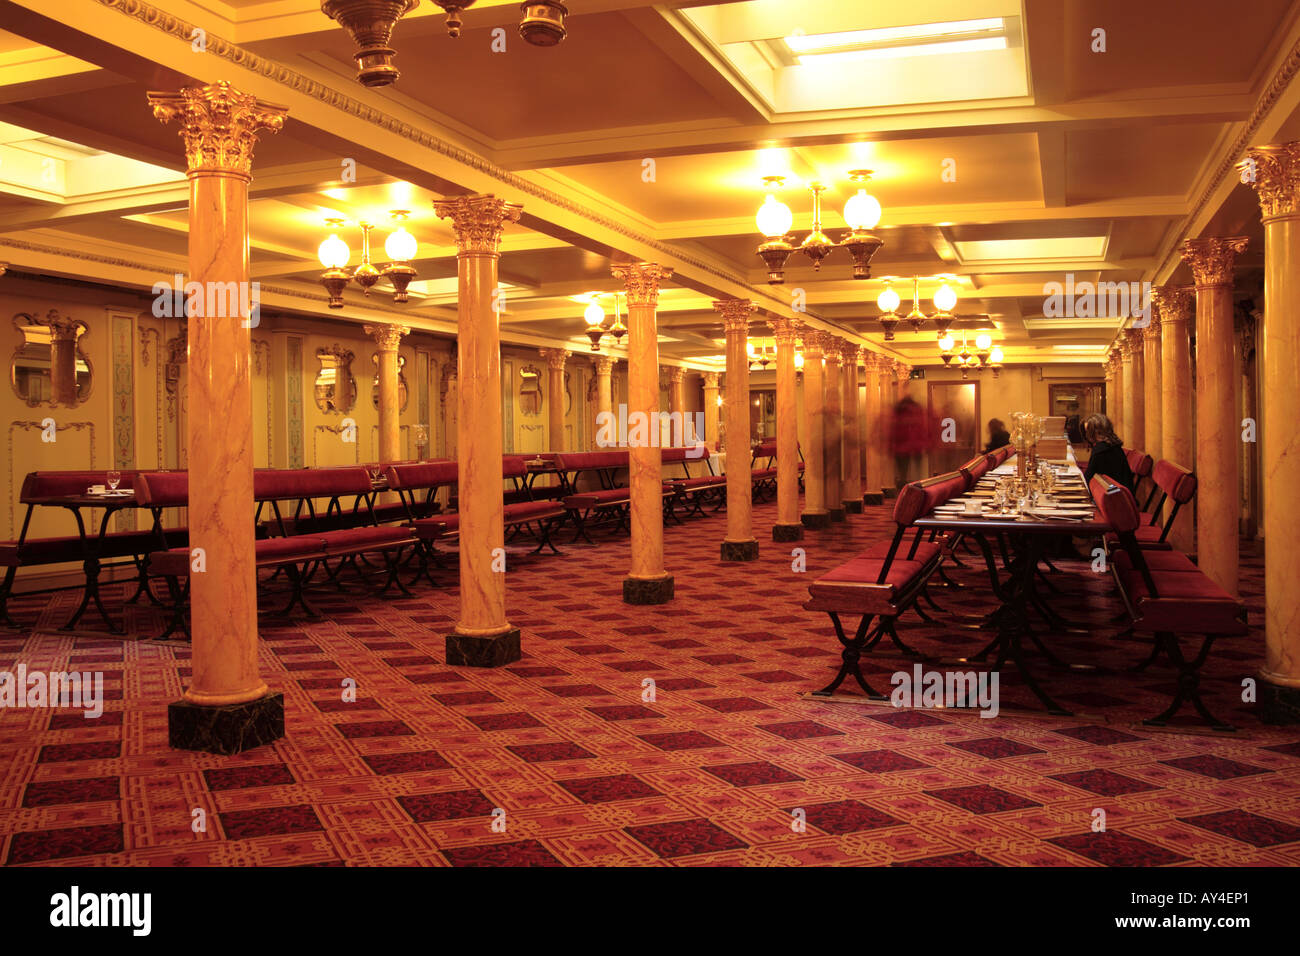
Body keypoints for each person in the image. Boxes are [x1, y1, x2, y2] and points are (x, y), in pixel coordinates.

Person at [1081, 413, 1134, 492]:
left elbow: (1088, 480)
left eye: (1088, 432)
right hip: (1119, 492)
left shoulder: (1100, 451)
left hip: (1113, 496)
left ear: (1097, 431)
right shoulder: (1114, 446)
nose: (1087, 436)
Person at [889, 392, 929, 484]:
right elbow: (921, 428)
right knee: (917, 470)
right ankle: (917, 488)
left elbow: (893, 429)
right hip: (915, 445)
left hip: (901, 446)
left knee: (902, 471)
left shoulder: (898, 410)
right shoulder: (917, 410)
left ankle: (903, 488)